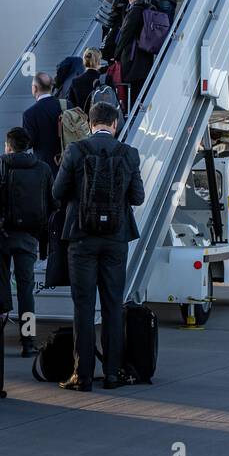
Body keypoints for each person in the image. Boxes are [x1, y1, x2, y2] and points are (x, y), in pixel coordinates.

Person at [51, 101, 144, 391]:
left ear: (90, 123)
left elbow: (57, 192)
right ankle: (113, 373)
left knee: (83, 307)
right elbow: (138, 197)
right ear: (114, 124)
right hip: (116, 239)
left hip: (81, 239)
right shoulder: (128, 153)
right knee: (113, 305)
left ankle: (83, 375)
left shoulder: (76, 150)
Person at [0, 127, 53, 356]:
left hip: (1, 236)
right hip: (28, 237)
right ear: (28, 146)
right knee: (26, 292)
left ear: (8, 145)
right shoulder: (43, 168)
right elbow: (52, 202)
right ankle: (28, 341)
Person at [114, 0, 155, 108]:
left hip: (132, 57)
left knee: (132, 93)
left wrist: (116, 54)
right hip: (145, 55)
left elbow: (125, 34)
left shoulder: (135, 10)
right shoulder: (149, 8)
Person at [22, 72, 63, 167]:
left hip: (43, 166)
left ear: (35, 88)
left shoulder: (29, 114)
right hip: (67, 164)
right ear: (51, 87)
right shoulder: (66, 105)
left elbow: (28, 143)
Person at [69, 47, 103, 112]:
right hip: (101, 120)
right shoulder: (105, 78)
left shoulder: (75, 81)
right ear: (98, 61)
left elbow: (71, 105)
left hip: (82, 120)